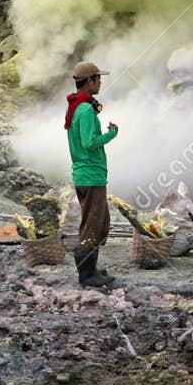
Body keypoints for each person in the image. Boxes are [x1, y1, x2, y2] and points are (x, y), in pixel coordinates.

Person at [65, 60, 120, 288]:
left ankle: (91, 270)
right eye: (98, 78)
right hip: (90, 175)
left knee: (98, 223)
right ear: (89, 81)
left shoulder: (78, 106)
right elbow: (89, 143)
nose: (100, 82)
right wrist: (111, 134)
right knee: (92, 225)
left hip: (86, 174)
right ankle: (87, 276)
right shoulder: (86, 109)